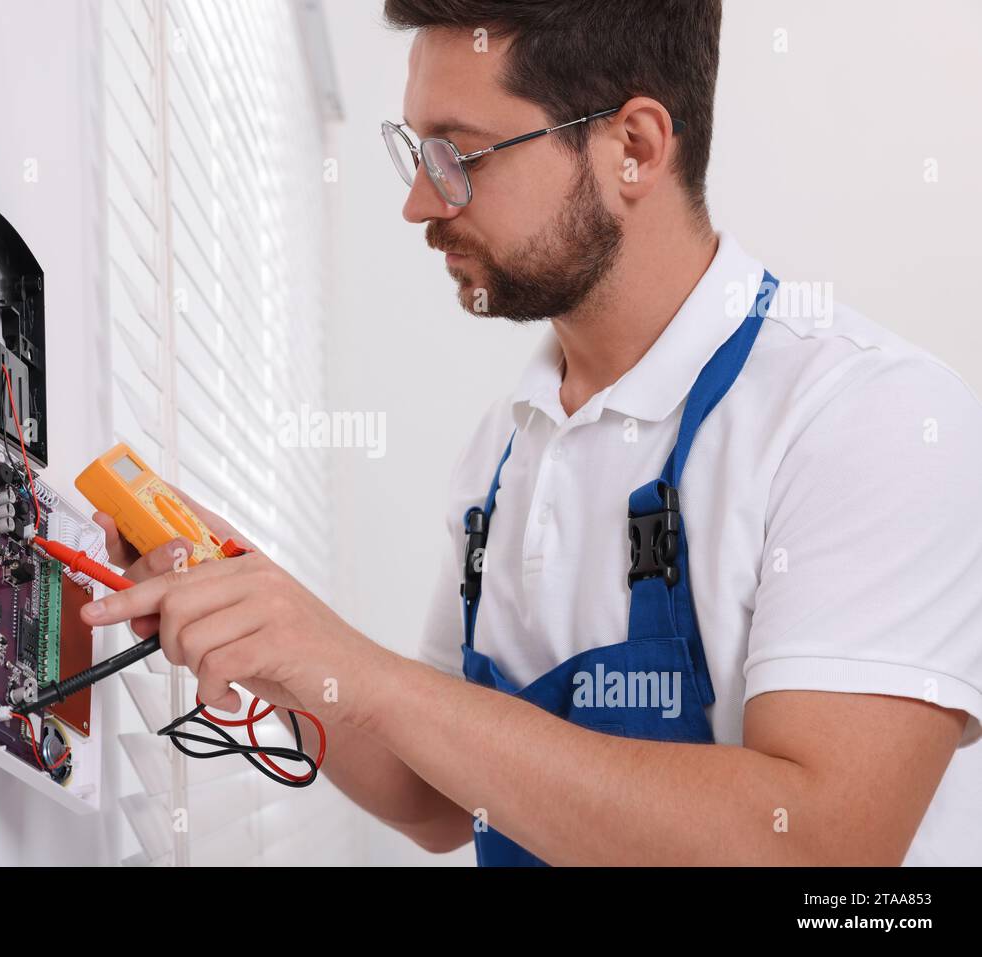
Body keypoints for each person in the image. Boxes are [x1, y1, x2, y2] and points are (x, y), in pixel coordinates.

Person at [82, 0, 982, 865]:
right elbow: (434, 796)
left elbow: (817, 848)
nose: (421, 207)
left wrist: (362, 669)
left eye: (460, 155)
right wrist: (271, 631)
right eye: (417, 153)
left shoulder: (865, 415)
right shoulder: (506, 453)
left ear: (633, 147)